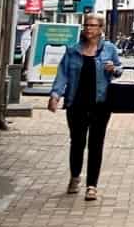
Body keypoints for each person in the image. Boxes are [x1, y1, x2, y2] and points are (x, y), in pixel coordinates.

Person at [48, 12, 122, 201]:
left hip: (101, 104)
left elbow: (120, 69)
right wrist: (55, 95)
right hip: (76, 103)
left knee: (96, 144)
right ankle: (75, 176)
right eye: (87, 25)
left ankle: (92, 186)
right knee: (77, 142)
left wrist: (114, 69)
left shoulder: (109, 49)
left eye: (93, 26)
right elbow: (63, 74)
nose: (89, 29)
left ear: (100, 29)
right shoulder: (73, 50)